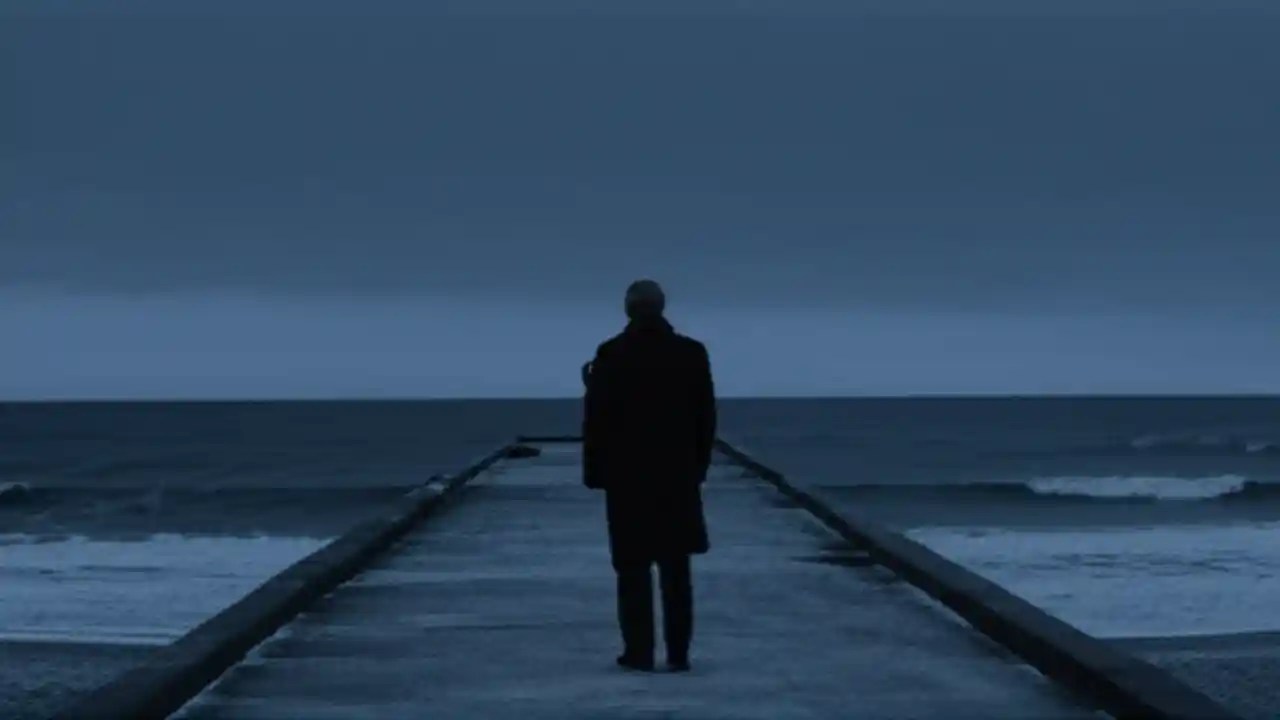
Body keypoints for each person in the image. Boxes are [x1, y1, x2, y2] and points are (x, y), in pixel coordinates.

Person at [582, 279, 717, 673]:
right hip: (676, 476)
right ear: (660, 308)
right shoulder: (690, 353)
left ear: (628, 310)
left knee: (631, 569)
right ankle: (678, 655)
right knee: (677, 570)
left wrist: (595, 472)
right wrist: (698, 467)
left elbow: (597, 421)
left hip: (627, 479)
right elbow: (705, 416)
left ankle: (638, 653)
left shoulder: (612, 354)